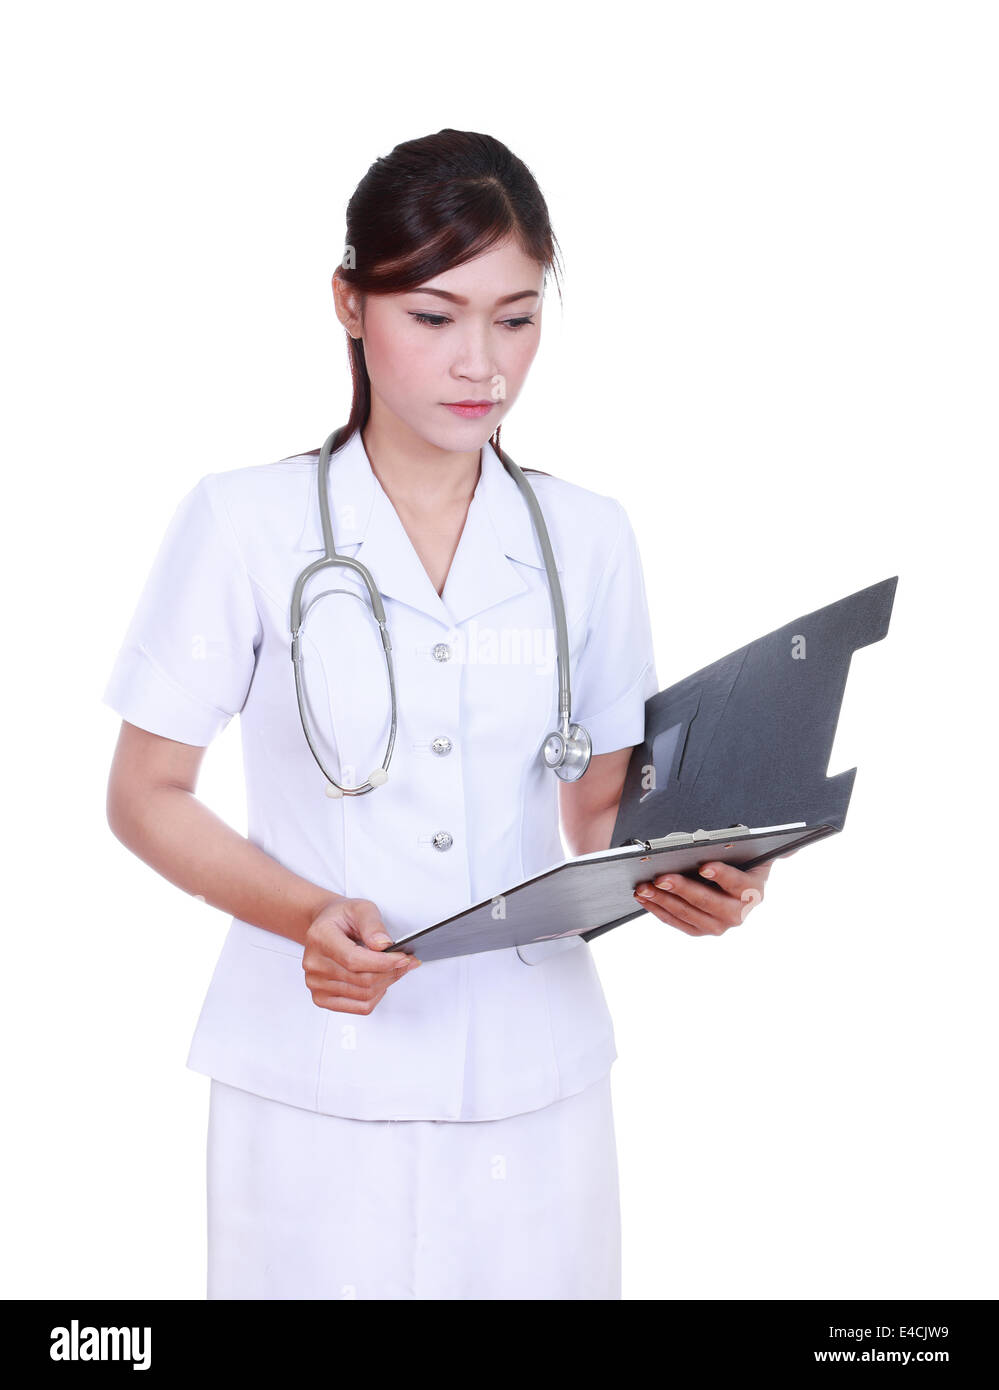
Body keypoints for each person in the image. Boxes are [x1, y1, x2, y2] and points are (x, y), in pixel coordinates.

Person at [102, 128, 773, 1301]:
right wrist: (309, 912)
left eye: (515, 318)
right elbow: (144, 794)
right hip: (310, 1081)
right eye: (434, 315)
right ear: (351, 306)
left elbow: (600, 808)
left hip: (537, 1079)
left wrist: (700, 869)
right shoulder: (242, 523)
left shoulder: (587, 538)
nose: (484, 364)